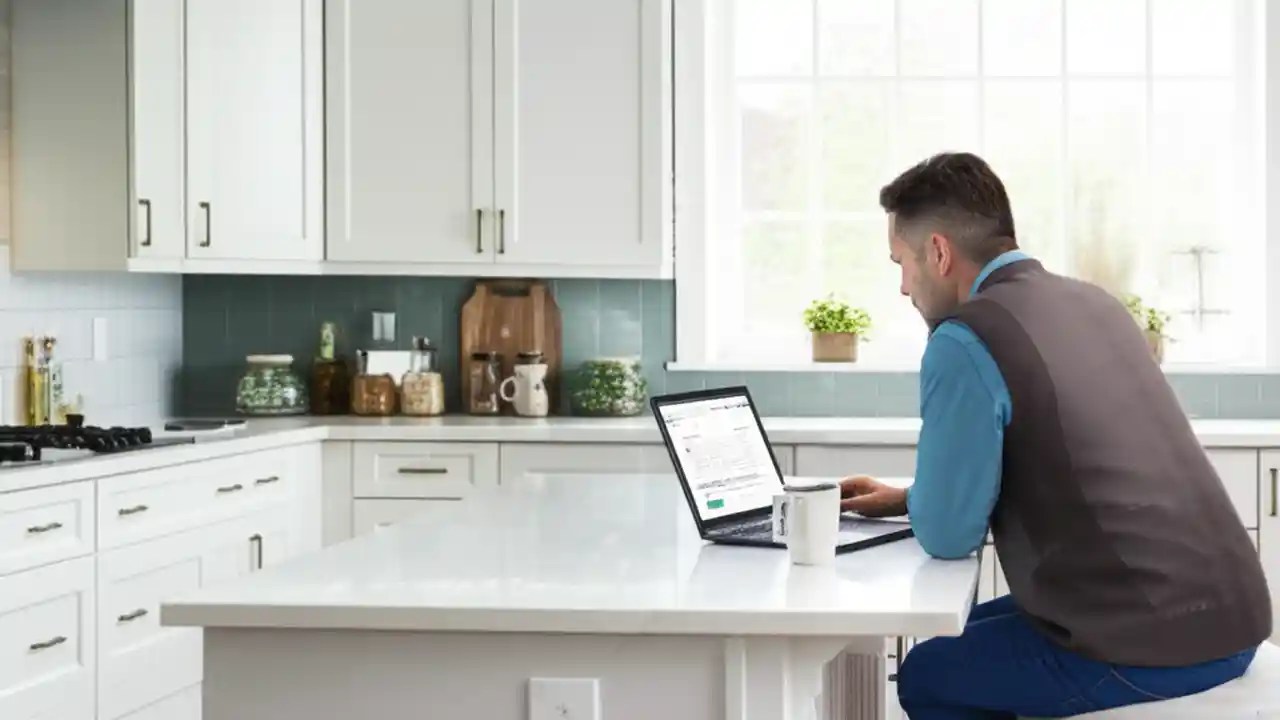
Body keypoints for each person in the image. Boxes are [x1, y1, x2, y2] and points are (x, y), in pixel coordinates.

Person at [839, 152, 1271, 719]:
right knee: (967, 632)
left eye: (902, 262)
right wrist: (908, 498)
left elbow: (948, 536)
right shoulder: (1097, 305)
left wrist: (928, 507)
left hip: (1149, 645)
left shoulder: (964, 338)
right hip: (1233, 618)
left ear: (939, 253)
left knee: (928, 673)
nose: (902, 287)